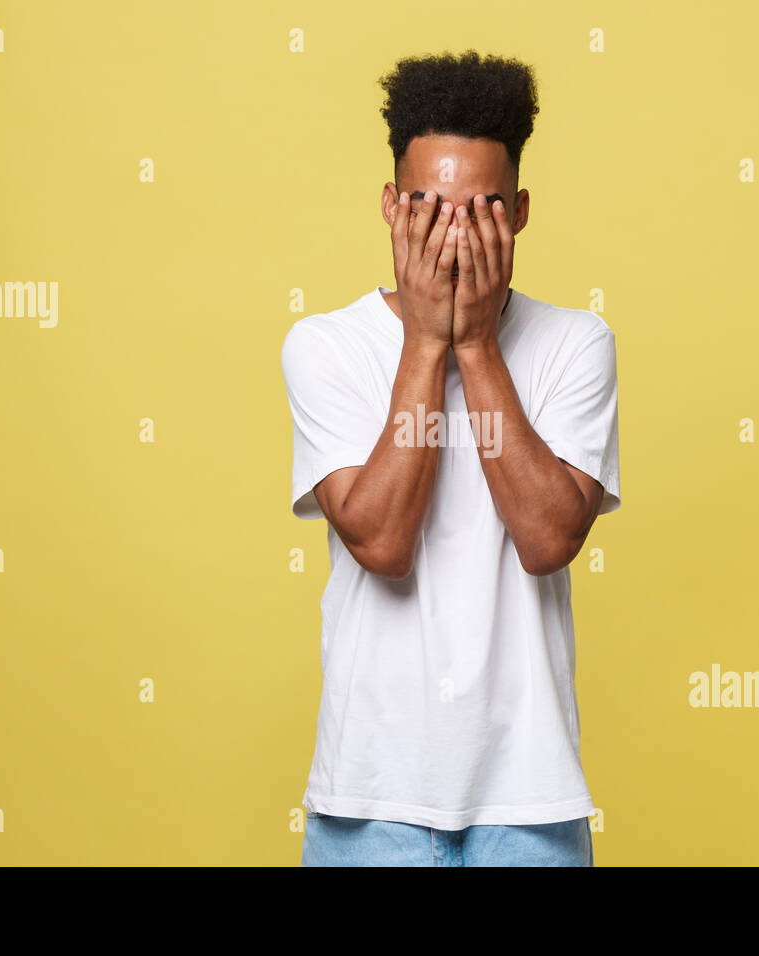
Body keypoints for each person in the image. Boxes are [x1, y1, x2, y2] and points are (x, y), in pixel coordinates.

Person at [281, 50, 621, 866]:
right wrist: (427, 342)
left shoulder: (577, 343)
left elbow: (547, 542)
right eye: (431, 209)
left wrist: (473, 343)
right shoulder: (325, 345)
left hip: (528, 802)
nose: (455, 235)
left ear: (522, 211)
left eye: (483, 209)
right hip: (371, 797)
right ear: (392, 207)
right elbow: (383, 545)